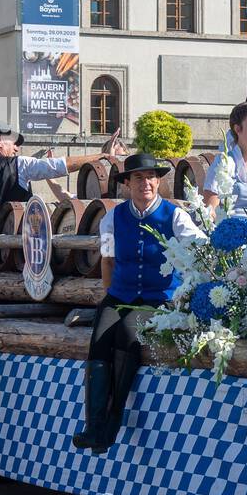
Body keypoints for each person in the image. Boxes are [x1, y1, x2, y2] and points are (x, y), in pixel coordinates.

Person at [73, 153, 200, 454]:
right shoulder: (113, 217)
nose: (146, 183)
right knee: (100, 338)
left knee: (129, 335)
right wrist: (110, 297)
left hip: (159, 298)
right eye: (139, 178)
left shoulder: (175, 216)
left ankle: (111, 425)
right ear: (127, 183)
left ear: (158, 181)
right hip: (121, 294)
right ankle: (93, 426)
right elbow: (108, 261)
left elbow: (199, 247)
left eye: (151, 177)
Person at [0, 123, 123, 240]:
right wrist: (101, 156)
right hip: (16, 253)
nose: (17, 148)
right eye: (14, 143)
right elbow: (59, 166)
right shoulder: (19, 164)